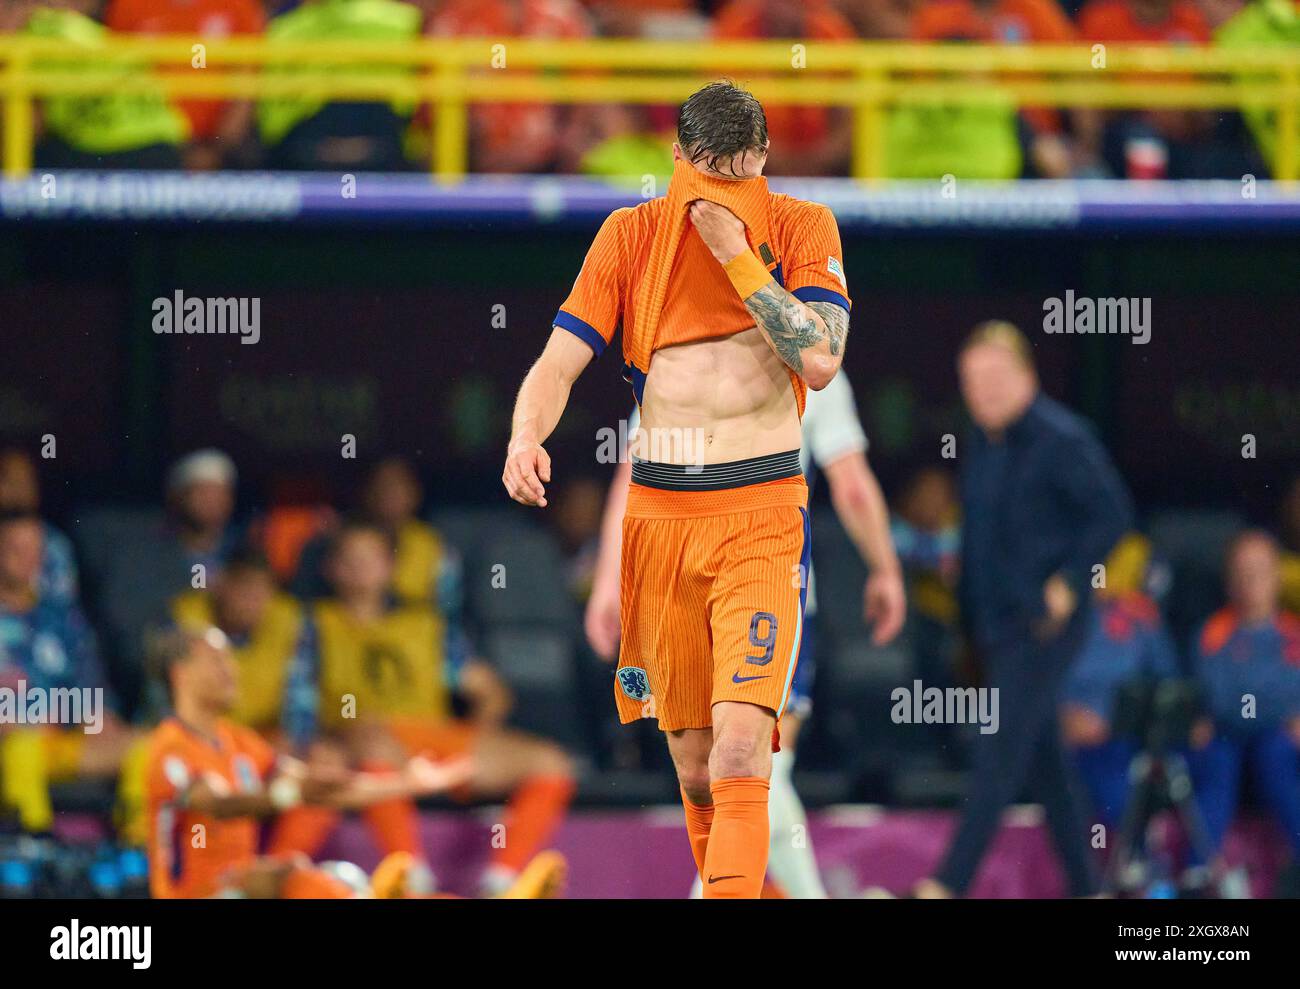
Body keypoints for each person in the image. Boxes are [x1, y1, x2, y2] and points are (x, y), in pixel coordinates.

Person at [504, 81, 851, 897]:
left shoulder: (802, 226)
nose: (722, 192)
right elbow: (559, 361)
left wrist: (736, 251)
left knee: (741, 747)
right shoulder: (630, 236)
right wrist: (526, 433)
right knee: (696, 768)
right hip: (661, 520)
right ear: (678, 159)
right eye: (708, 174)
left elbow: (820, 359)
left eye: (739, 173)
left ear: (763, 158)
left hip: (761, 513)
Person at [586, 372, 906, 898]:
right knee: (747, 773)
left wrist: (609, 583)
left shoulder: (673, 349)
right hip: (765, 593)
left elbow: (633, 481)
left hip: (704, 592)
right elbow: (849, 483)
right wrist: (885, 568)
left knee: (746, 771)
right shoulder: (807, 352)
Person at [914, 320, 1132, 898]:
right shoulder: (985, 442)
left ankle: (945, 883)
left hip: (1044, 626)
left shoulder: (1062, 438)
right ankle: (1089, 889)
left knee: (998, 752)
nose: (979, 392)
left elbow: (1112, 513)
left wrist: (1068, 579)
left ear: (1025, 375)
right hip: (995, 626)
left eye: (991, 378)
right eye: (970, 381)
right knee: (1046, 768)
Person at [288, 519, 576, 896]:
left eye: (371, 558)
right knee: (375, 744)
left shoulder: (427, 625)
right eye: (350, 559)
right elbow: (298, 702)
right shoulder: (313, 625)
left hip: (430, 738)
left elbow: (490, 692)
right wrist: (314, 744)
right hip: (358, 739)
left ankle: (502, 880)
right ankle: (411, 877)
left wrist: (475, 741)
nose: (361, 569)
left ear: (389, 566)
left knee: (552, 763)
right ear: (332, 569)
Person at [143, 624, 471, 898]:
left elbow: (319, 789)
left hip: (242, 886)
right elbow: (217, 803)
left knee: (335, 880)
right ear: (180, 674)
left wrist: (409, 782)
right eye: (215, 660)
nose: (230, 669)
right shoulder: (169, 747)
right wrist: (290, 794)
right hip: (197, 895)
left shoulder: (239, 742)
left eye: (229, 658)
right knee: (299, 881)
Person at [0, 510, 142, 835]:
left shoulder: (63, 619)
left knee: (147, 747)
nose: (28, 560)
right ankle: (31, 850)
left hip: (61, 742)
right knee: (21, 748)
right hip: (12, 745)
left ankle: (135, 853)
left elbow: (90, 689)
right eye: (15, 549)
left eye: (35, 550)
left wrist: (99, 719)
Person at [1188, 530, 1300, 893]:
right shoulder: (1213, 632)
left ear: (1277, 576)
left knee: (1278, 754)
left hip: (1277, 744)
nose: (1251, 582)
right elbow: (1220, 699)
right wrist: (1279, 709)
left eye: (1260, 570)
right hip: (1226, 738)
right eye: (1242, 571)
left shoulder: (1293, 633)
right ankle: (1198, 873)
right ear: (1229, 580)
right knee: (1216, 760)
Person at [1061, 533, 1180, 828]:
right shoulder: (1055, 614)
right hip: (1066, 736)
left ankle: (1154, 864)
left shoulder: (1139, 616)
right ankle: (1129, 860)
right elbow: (1027, 681)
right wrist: (1059, 718)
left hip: (1127, 737)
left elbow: (1169, 681)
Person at [0, 448, 80, 607]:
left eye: (26, 481)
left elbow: (64, 606)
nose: (19, 491)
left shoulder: (54, 544)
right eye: (11, 481)